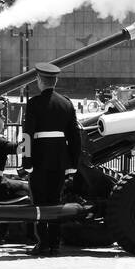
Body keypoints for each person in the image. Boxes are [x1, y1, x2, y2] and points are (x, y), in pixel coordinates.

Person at [21, 61, 81, 256]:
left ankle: (43, 242)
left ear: (39, 80)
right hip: (59, 160)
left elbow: (28, 135)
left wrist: (27, 162)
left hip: (39, 160)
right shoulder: (66, 103)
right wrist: (73, 164)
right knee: (55, 202)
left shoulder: (34, 103)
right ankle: (54, 243)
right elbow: (74, 136)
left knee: (39, 201)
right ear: (55, 81)